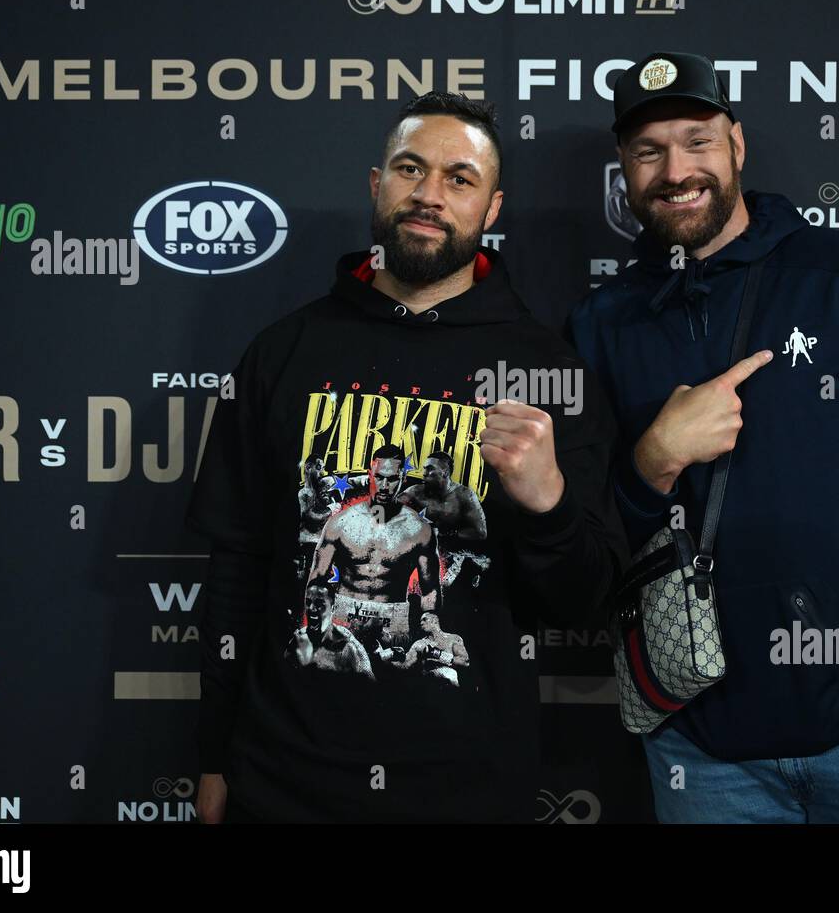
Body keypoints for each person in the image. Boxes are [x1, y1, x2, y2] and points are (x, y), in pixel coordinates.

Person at [567, 51, 839, 823]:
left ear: (736, 145)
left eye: (697, 140)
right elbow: (586, 543)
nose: (675, 169)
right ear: (624, 172)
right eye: (647, 151)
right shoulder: (602, 323)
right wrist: (651, 462)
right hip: (699, 750)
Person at [187, 90, 628, 823]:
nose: (429, 195)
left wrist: (547, 501)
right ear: (376, 183)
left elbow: (582, 602)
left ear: (491, 211)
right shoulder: (284, 353)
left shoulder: (548, 372)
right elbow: (235, 569)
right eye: (409, 169)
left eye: (460, 179)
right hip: (285, 777)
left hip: (468, 788)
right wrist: (211, 753)